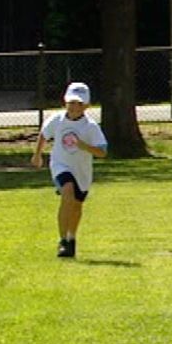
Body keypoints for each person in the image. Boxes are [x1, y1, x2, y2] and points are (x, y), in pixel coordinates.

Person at [31, 82, 107, 258]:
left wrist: (83, 145)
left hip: (81, 170)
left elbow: (102, 151)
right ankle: (63, 240)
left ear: (87, 106)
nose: (74, 107)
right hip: (60, 164)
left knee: (76, 204)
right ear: (65, 102)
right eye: (71, 103)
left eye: (79, 104)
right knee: (68, 192)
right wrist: (37, 155)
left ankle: (72, 238)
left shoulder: (90, 127)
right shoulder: (57, 120)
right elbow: (44, 134)